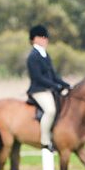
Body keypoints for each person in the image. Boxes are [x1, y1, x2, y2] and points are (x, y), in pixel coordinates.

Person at [26, 24, 70, 153]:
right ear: (35, 39)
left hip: (49, 89)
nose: (46, 39)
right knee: (50, 110)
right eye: (43, 37)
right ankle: (45, 141)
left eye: (46, 37)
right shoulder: (33, 56)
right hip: (39, 90)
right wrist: (55, 86)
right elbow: (38, 77)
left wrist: (66, 85)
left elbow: (54, 76)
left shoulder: (45, 54)